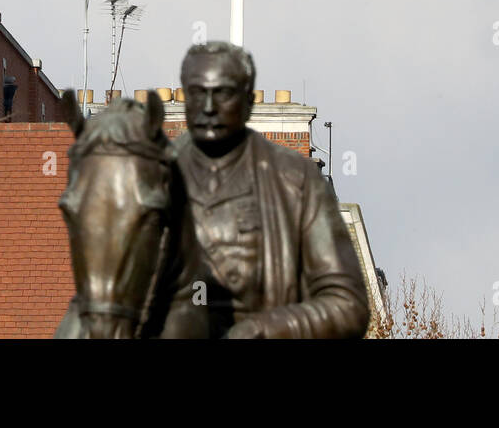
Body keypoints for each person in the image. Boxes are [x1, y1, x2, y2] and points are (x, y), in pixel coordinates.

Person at [156, 41, 369, 339]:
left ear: (248, 102)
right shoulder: (151, 179)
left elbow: (347, 304)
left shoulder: (296, 181)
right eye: (197, 93)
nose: (208, 107)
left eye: (223, 93)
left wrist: (266, 328)